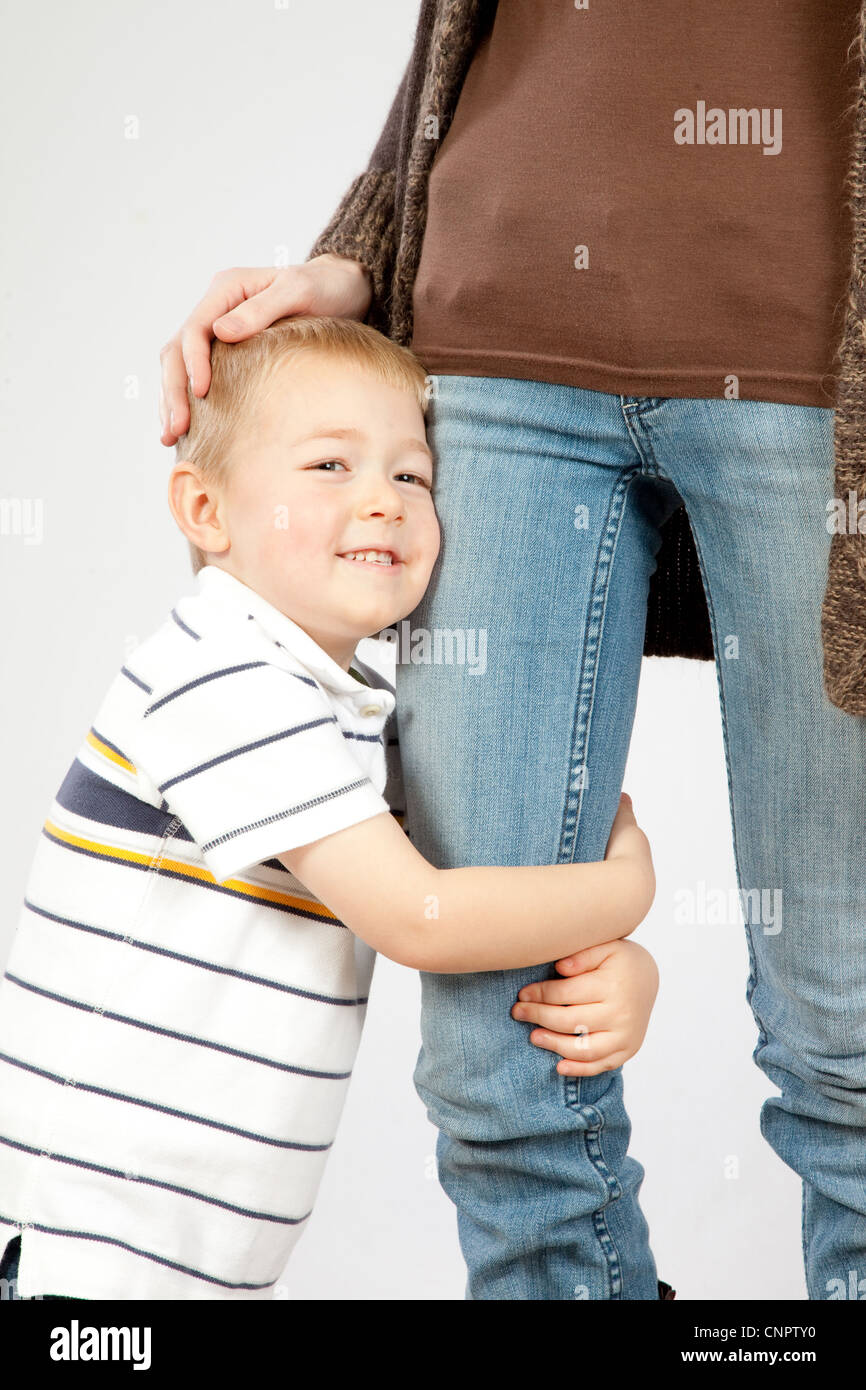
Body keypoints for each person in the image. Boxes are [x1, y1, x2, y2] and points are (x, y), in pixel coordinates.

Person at [157, 0, 866, 1302]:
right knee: (499, 1060)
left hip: (819, 360)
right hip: (491, 349)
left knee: (847, 1038)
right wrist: (361, 252)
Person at [0, 314, 663, 1301]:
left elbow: (486, 888)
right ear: (207, 509)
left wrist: (625, 972)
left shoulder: (347, 713)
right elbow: (418, 918)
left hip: (184, 1269)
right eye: (328, 466)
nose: (382, 502)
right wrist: (624, 894)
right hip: (81, 1256)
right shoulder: (216, 674)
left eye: (411, 477)